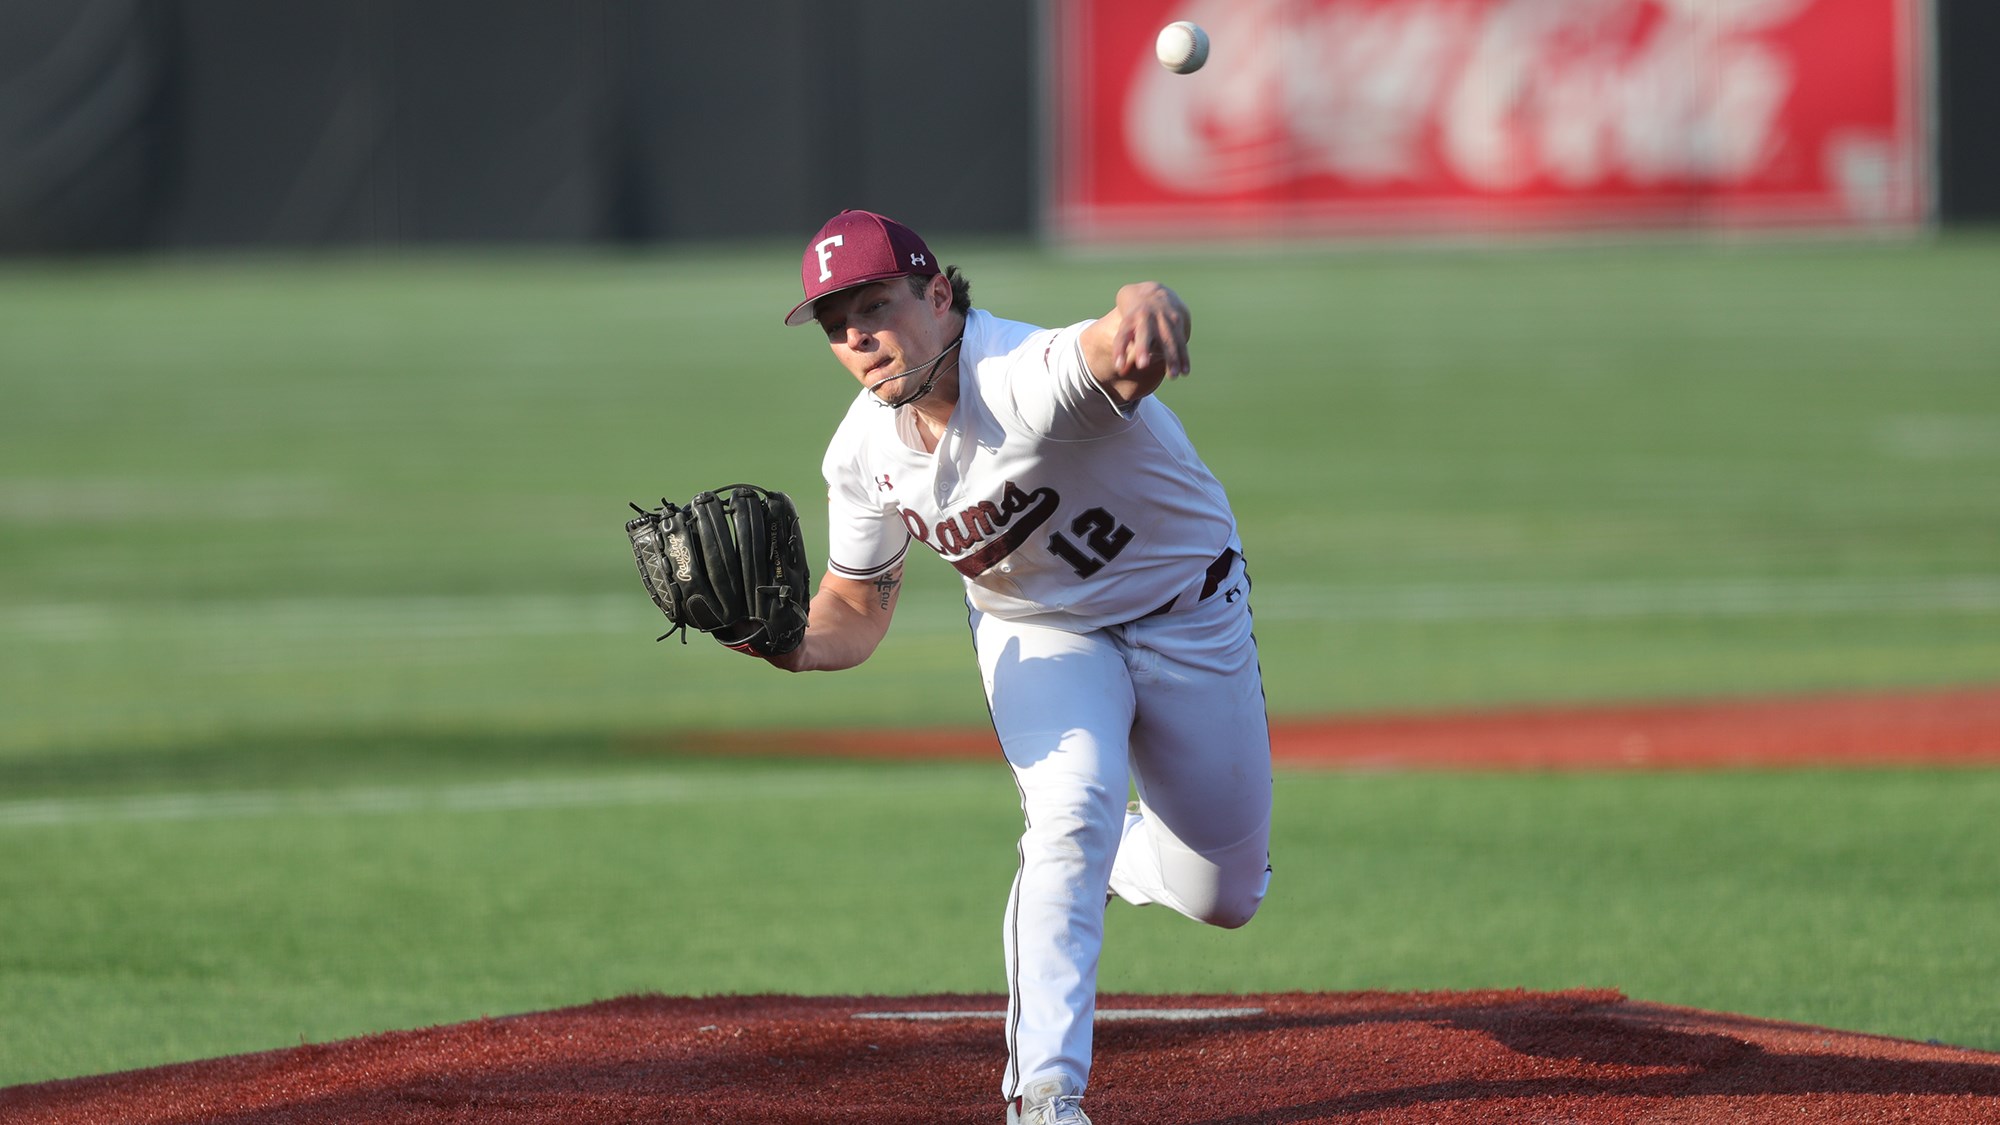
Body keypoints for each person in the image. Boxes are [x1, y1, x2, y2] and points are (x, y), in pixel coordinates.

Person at [768, 209, 1273, 1125]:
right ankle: (1045, 1096)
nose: (858, 339)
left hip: (1188, 615)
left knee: (1224, 895)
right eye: (836, 325)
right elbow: (855, 609)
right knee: (1069, 813)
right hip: (1038, 630)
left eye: (875, 307)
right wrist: (780, 641)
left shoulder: (1021, 376)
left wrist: (1145, 300)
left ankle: (1117, 853)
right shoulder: (862, 453)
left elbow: (1118, 354)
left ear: (938, 294)